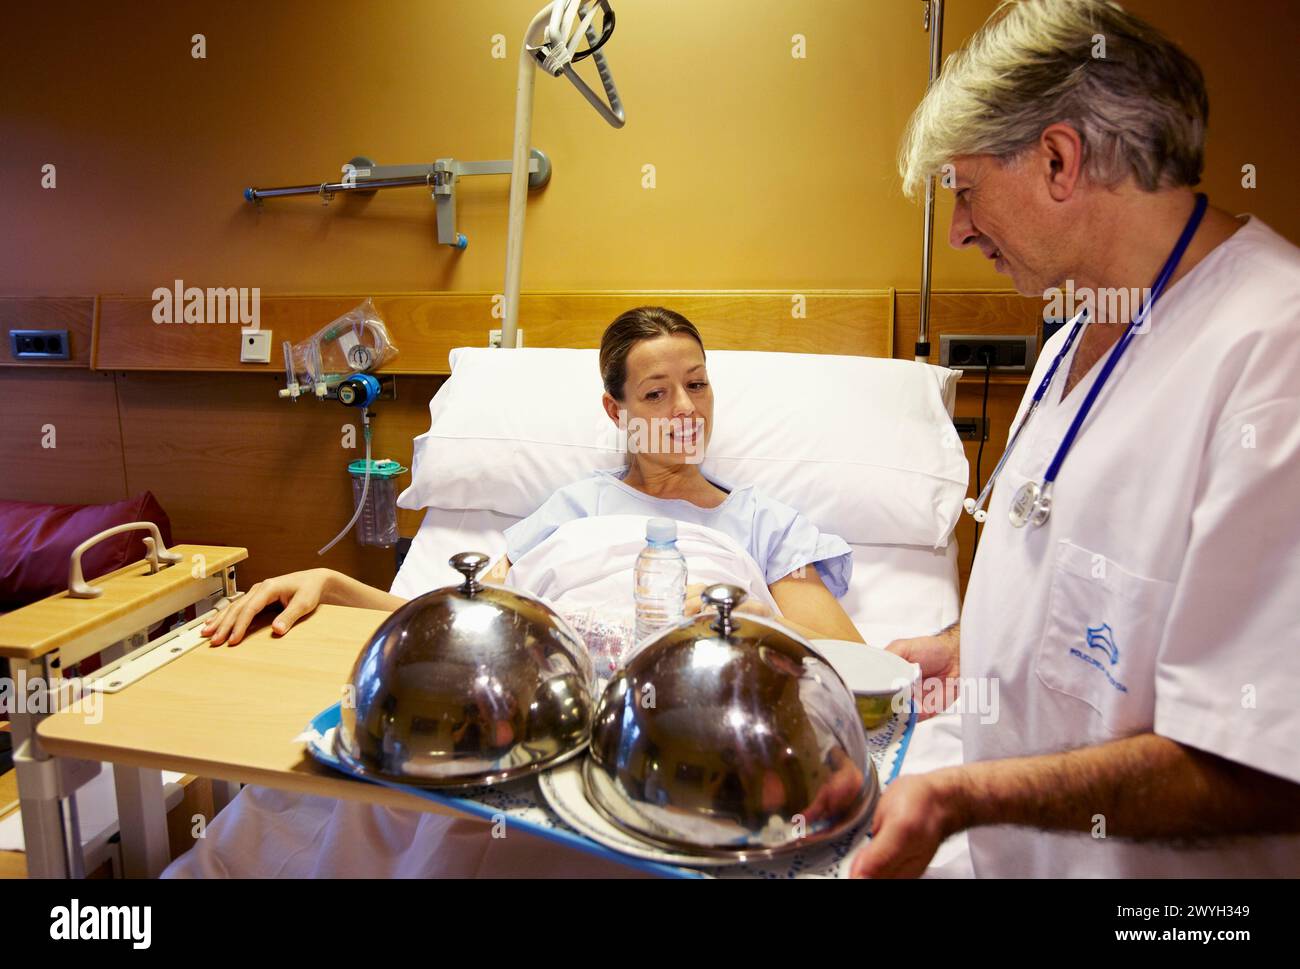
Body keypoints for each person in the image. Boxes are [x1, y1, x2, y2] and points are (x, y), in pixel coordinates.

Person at [851, 0, 1300, 877]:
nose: (960, 232)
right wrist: (967, 650)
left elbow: (1263, 766)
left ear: (1059, 160)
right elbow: (1085, 595)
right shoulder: (1070, 341)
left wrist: (961, 797)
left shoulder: (1270, 358)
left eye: (965, 192)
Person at [169, 307, 861, 877]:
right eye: (655, 393)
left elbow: (838, 656)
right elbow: (470, 619)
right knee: (386, 805)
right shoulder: (573, 508)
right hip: (546, 707)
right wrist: (333, 584)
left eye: (698, 384)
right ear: (615, 409)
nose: (684, 408)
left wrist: (738, 619)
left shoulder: (760, 520)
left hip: (682, 722)